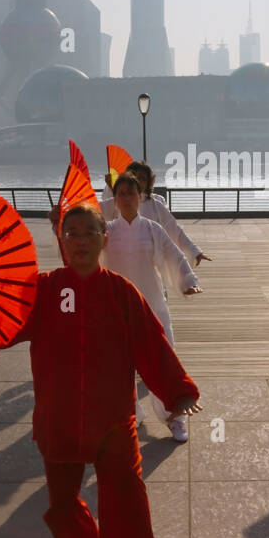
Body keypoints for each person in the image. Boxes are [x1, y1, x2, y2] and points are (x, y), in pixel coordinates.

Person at [0, 202, 202, 538]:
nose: (80, 241)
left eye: (88, 233)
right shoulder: (42, 290)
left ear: (105, 238)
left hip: (114, 423)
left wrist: (176, 391)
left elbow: (151, 345)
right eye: (71, 234)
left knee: (128, 506)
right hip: (58, 418)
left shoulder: (121, 292)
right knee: (63, 506)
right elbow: (0, 321)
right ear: (62, 242)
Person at [101, 173, 202, 440]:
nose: (125, 198)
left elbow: (173, 255)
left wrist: (187, 280)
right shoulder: (106, 231)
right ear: (115, 198)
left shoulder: (152, 229)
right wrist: (58, 225)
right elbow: (82, 249)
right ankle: (132, 411)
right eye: (120, 193)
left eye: (130, 193)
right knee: (119, 368)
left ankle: (174, 416)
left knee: (164, 360)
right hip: (118, 309)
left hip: (152, 305)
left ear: (140, 196)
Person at [101, 161, 213, 267]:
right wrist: (111, 188)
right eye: (136, 177)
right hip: (122, 260)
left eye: (143, 178)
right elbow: (96, 215)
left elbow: (174, 230)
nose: (139, 181)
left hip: (151, 261)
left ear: (149, 182)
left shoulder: (156, 205)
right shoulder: (116, 202)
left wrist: (194, 251)